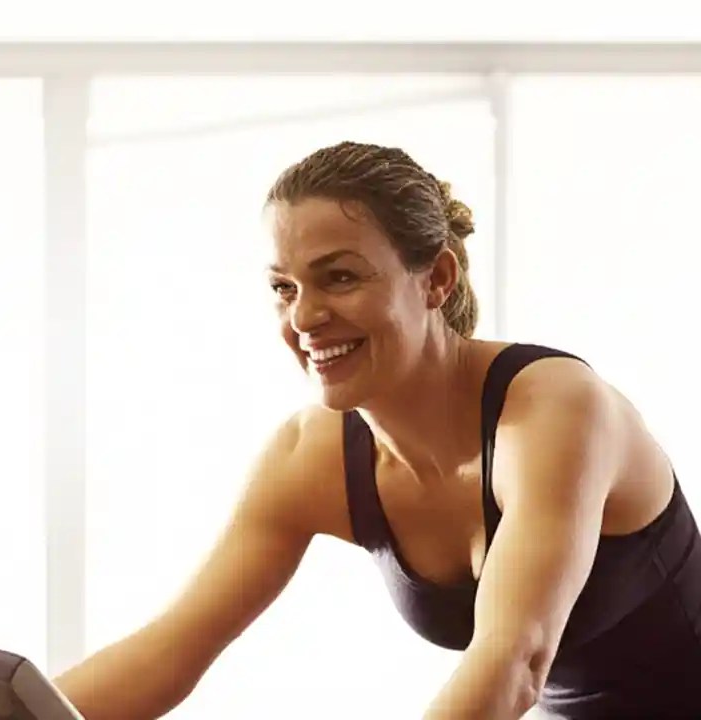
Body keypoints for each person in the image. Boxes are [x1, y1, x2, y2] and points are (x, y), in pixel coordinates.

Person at [44, 141, 701, 719]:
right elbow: (169, 652)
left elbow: (516, 663)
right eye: (284, 288)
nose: (304, 318)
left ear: (436, 278)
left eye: (339, 277)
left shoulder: (553, 411)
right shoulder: (313, 456)